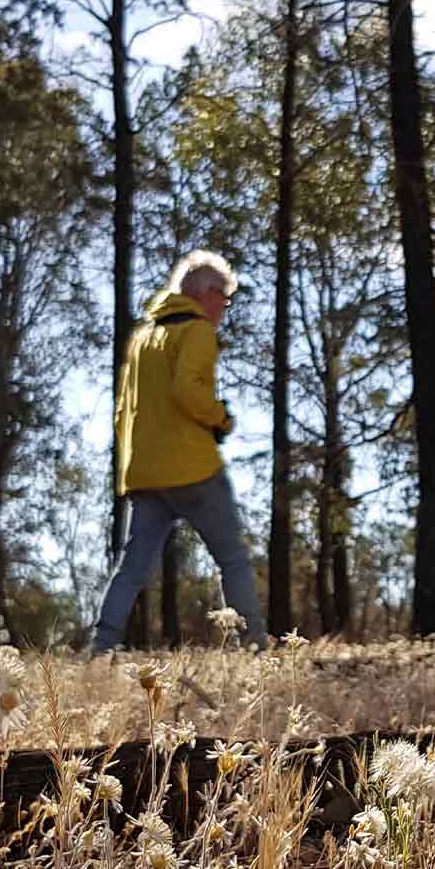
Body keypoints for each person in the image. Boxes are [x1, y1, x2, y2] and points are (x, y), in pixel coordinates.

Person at [90, 251, 269, 652]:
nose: (225, 308)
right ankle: (255, 645)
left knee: (131, 567)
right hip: (192, 467)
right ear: (206, 293)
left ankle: (100, 648)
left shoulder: (142, 338)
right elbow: (187, 390)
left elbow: (122, 411)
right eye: (224, 298)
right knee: (232, 559)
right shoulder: (197, 331)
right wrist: (220, 418)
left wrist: (135, 459)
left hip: (143, 472)